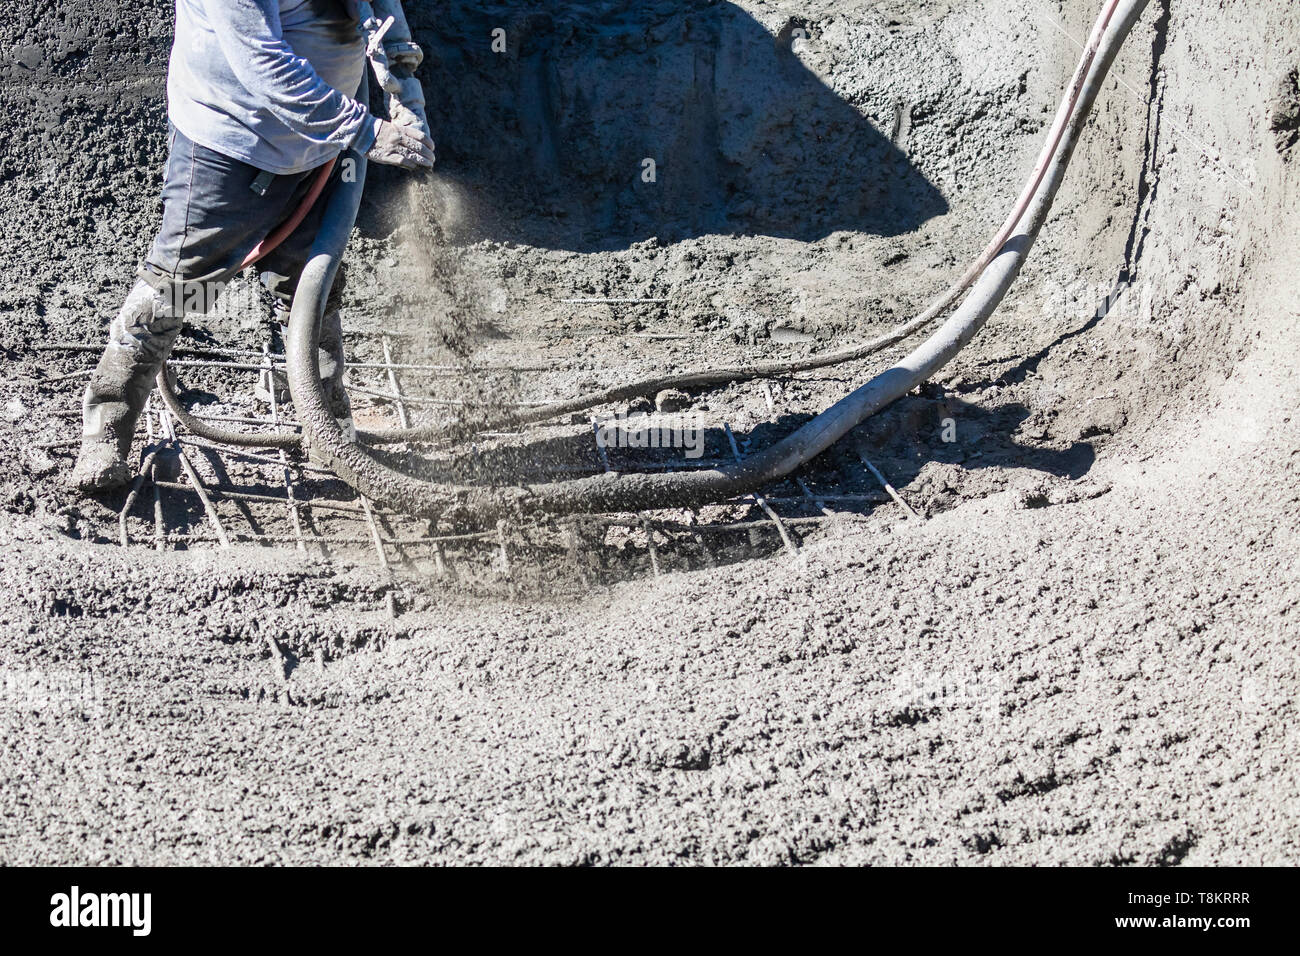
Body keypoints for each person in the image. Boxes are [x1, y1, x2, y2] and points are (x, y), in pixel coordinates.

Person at [70, 0, 434, 492]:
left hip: (324, 144)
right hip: (232, 149)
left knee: (310, 286)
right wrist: (367, 131)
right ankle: (106, 427)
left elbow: (381, 8)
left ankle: (324, 421)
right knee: (183, 291)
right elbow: (265, 64)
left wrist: (405, 92)